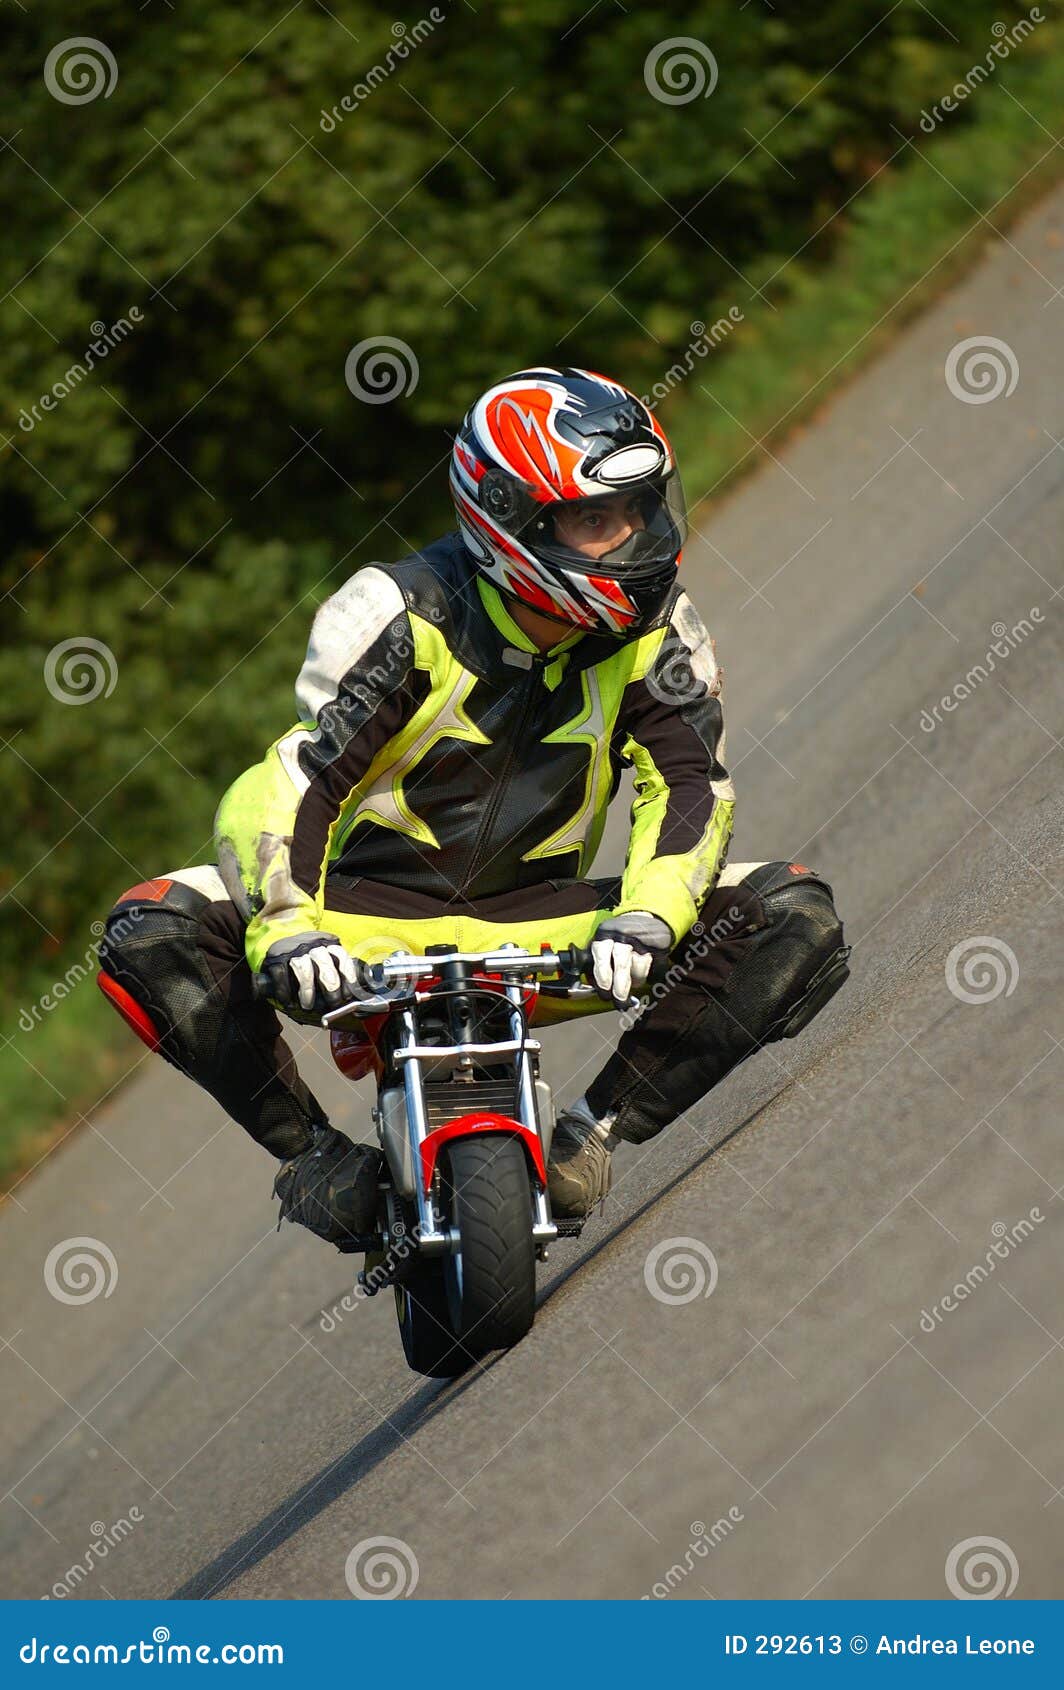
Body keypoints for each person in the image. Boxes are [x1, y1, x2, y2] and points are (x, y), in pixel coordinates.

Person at [98, 367, 849, 1243]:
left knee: (791, 914)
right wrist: (288, 929)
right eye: (596, 520)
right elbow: (294, 781)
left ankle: (589, 1137)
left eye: (639, 510)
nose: (632, 540)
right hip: (359, 925)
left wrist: (649, 917)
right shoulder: (397, 612)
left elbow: (689, 786)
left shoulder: (658, 630)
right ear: (510, 518)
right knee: (149, 929)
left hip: (541, 927)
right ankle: (316, 1160)